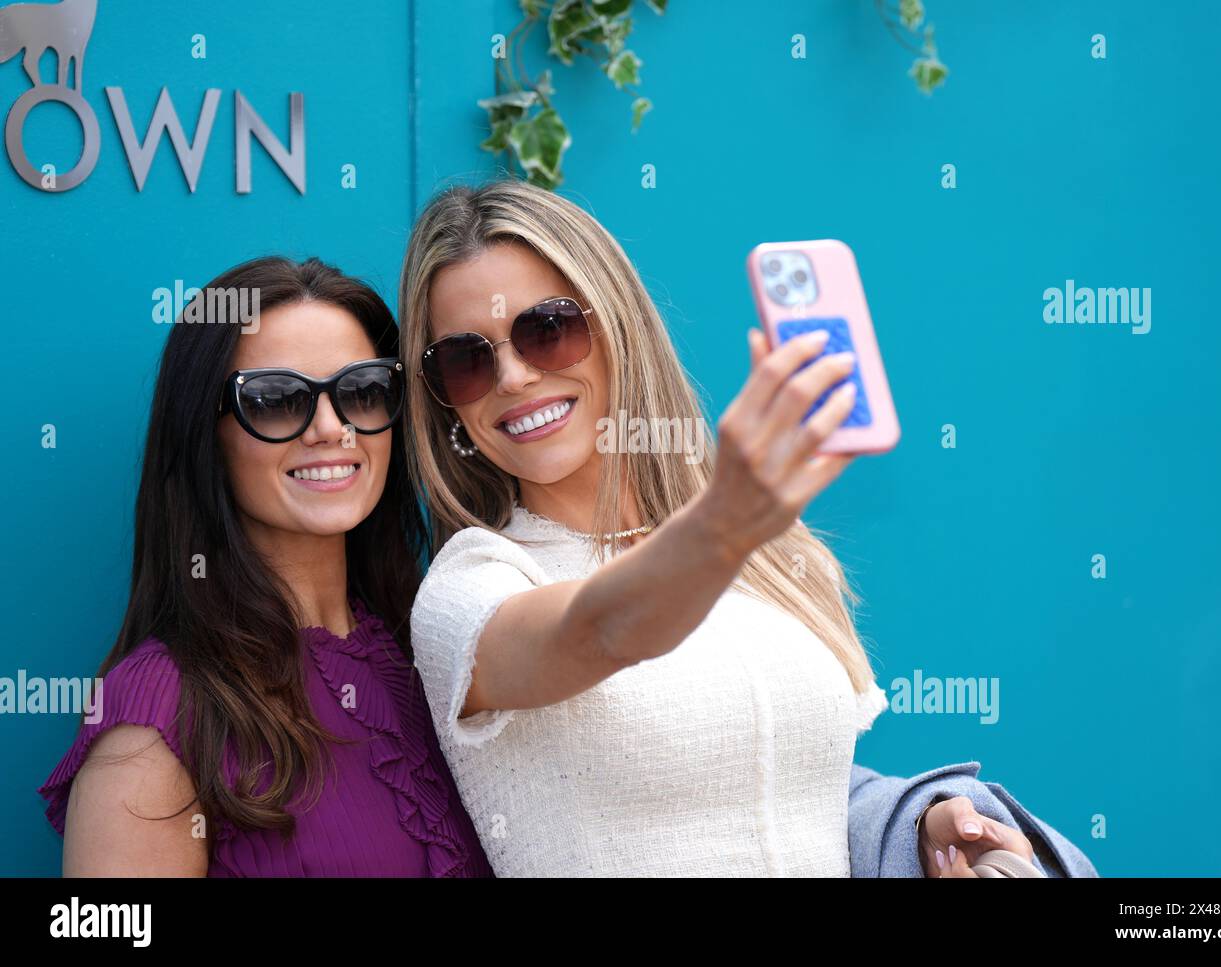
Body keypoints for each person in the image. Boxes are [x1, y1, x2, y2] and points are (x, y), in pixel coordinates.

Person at [397, 177, 1069, 876]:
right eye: (466, 359)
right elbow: (599, 629)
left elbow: (785, 791)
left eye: (548, 329)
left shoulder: (766, 551)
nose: (511, 376)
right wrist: (724, 518)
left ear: (619, 323)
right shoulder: (469, 591)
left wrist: (921, 826)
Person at [37, 256, 492, 877]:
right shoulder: (162, 712)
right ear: (205, 432)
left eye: (363, 391)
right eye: (277, 401)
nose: (332, 429)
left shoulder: (434, 649)